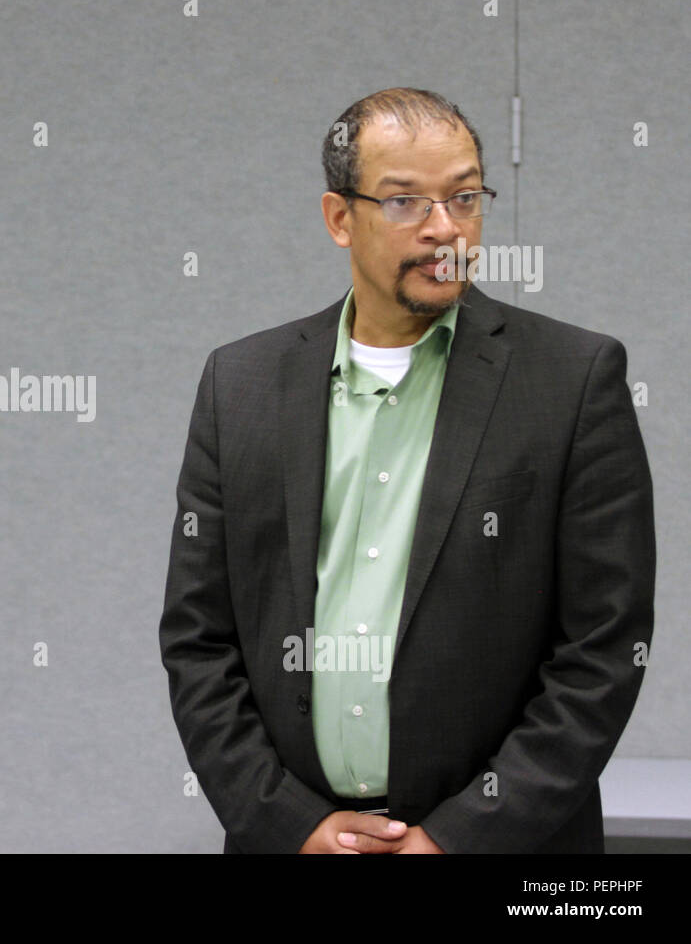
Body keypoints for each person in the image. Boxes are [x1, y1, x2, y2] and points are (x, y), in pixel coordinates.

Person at [159, 88, 655, 854]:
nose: (445, 228)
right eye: (405, 202)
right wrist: (293, 825)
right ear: (338, 218)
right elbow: (199, 639)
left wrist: (456, 837)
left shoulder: (571, 380)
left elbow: (602, 651)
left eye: (465, 196)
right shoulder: (242, 385)